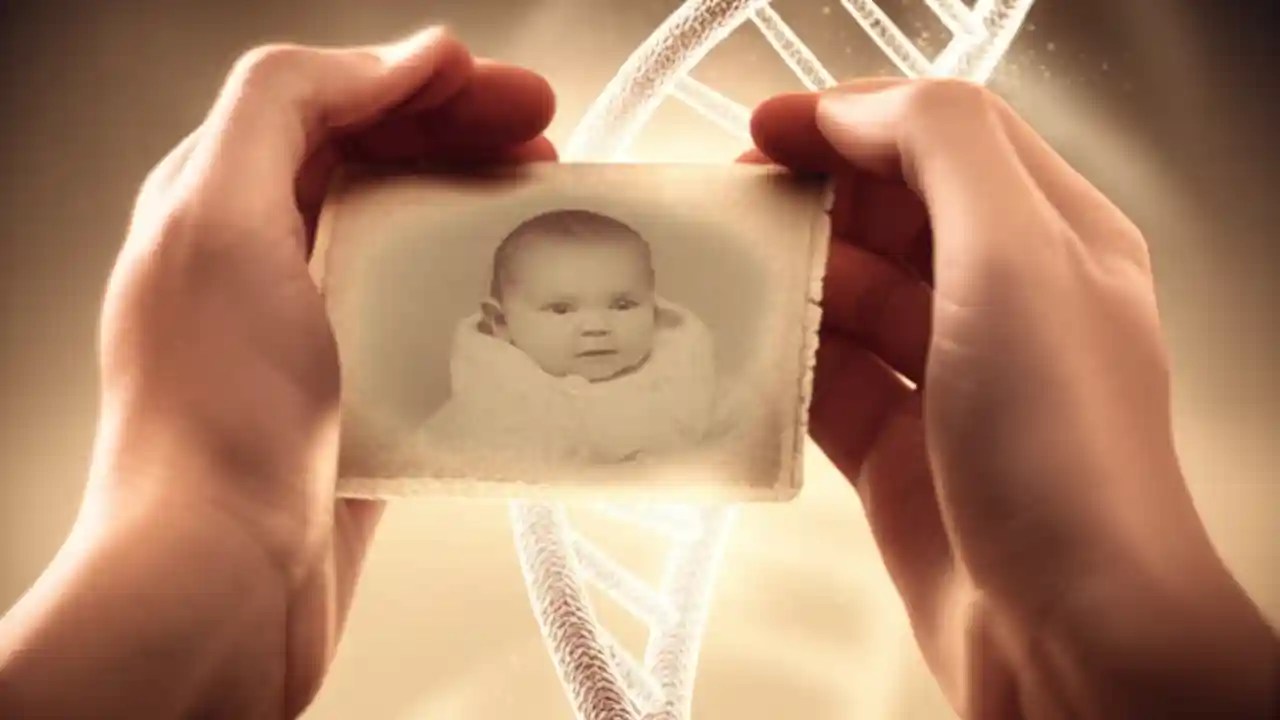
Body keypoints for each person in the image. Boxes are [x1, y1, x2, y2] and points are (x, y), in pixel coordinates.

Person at [0, 25, 1275, 720]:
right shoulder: (463, 396)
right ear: (495, 329)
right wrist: (213, 530)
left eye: (625, 299)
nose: (602, 324)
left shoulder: (704, 383)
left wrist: (1080, 605)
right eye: (559, 309)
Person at [416, 208, 718, 468]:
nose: (597, 326)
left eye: (622, 305)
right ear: (500, 322)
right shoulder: (488, 400)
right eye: (561, 309)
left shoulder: (678, 374)